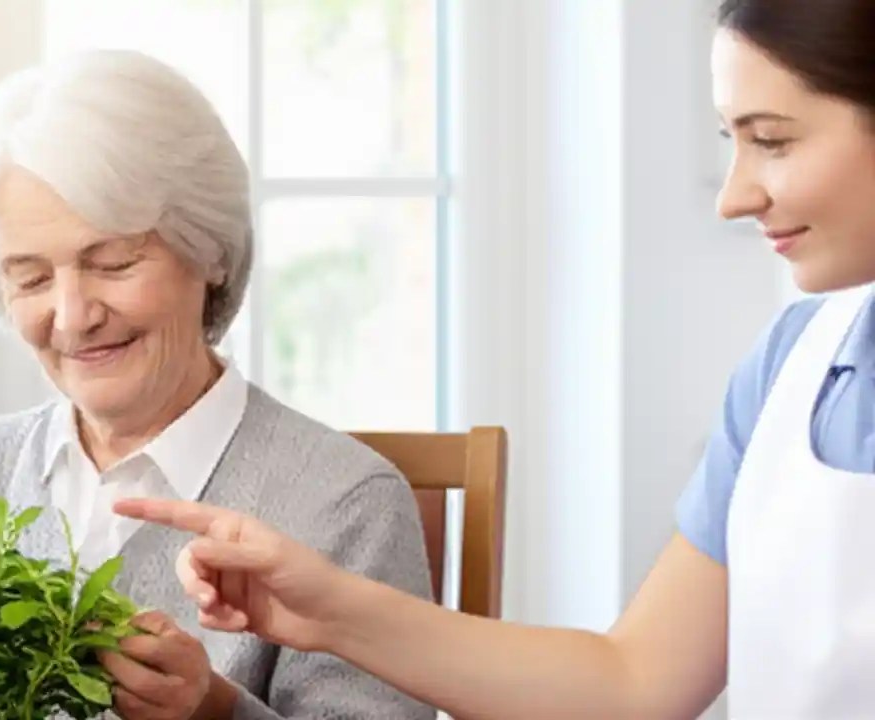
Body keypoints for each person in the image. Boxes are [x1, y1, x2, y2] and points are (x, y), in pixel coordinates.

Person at [115, 1, 875, 717]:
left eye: (773, 140)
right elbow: (632, 685)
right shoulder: (794, 365)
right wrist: (331, 610)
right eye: (730, 141)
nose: (734, 196)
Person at [0, 49, 435, 720]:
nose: (73, 316)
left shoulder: (346, 502)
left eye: (111, 263)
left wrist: (212, 712)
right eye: (32, 278)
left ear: (211, 253)